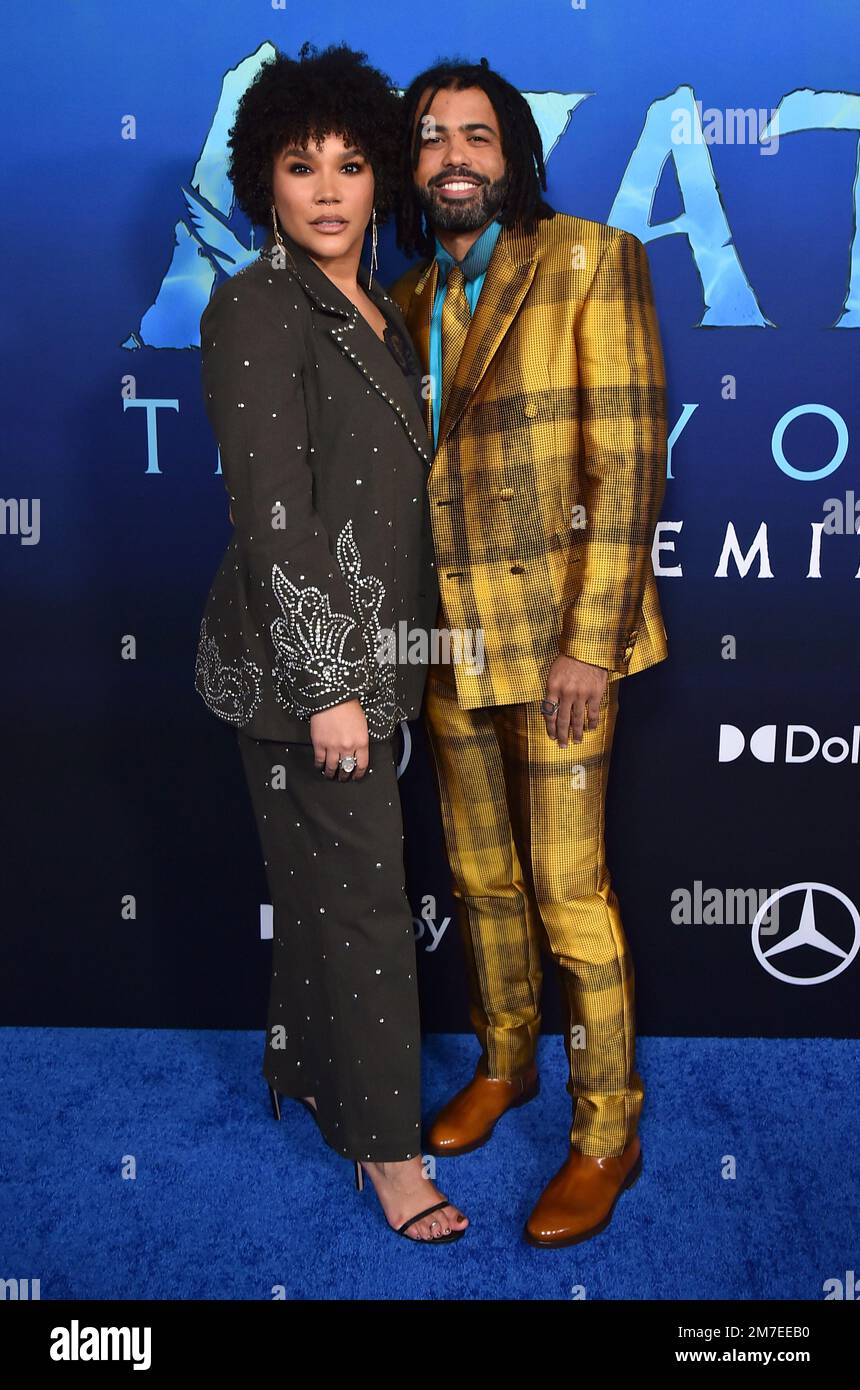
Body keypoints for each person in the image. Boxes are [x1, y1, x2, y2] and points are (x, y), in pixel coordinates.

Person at [389, 58, 669, 1247]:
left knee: (566, 893)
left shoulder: (588, 259)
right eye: (429, 137)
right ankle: (504, 1063)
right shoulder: (400, 302)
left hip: (561, 648)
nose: (453, 155)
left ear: (511, 154)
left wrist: (590, 646)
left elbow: (628, 467)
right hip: (448, 644)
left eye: (475, 134)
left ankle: (607, 1129)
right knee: (479, 879)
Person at [194, 42, 468, 1243]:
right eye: (298, 166)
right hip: (308, 672)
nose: (324, 189)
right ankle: (387, 1151)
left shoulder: (378, 301)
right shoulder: (254, 304)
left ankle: (301, 1069)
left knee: (321, 890)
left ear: (378, 181)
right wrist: (328, 688)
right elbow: (273, 514)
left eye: (350, 165)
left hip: (376, 652)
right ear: (265, 178)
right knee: (361, 901)